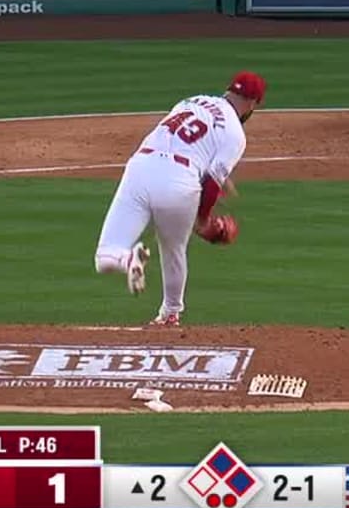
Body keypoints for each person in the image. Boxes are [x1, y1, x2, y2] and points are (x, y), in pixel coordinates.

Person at [95, 72, 264, 327]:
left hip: (140, 168)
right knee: (173, 250)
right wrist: (204, 222)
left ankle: (127, 259)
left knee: (105, 258)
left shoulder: (190, 101)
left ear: (228, 90)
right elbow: (210, 184)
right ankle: (170, 313)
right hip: (178, 181)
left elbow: (184, 142)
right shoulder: (235, 133)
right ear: (252, 103)